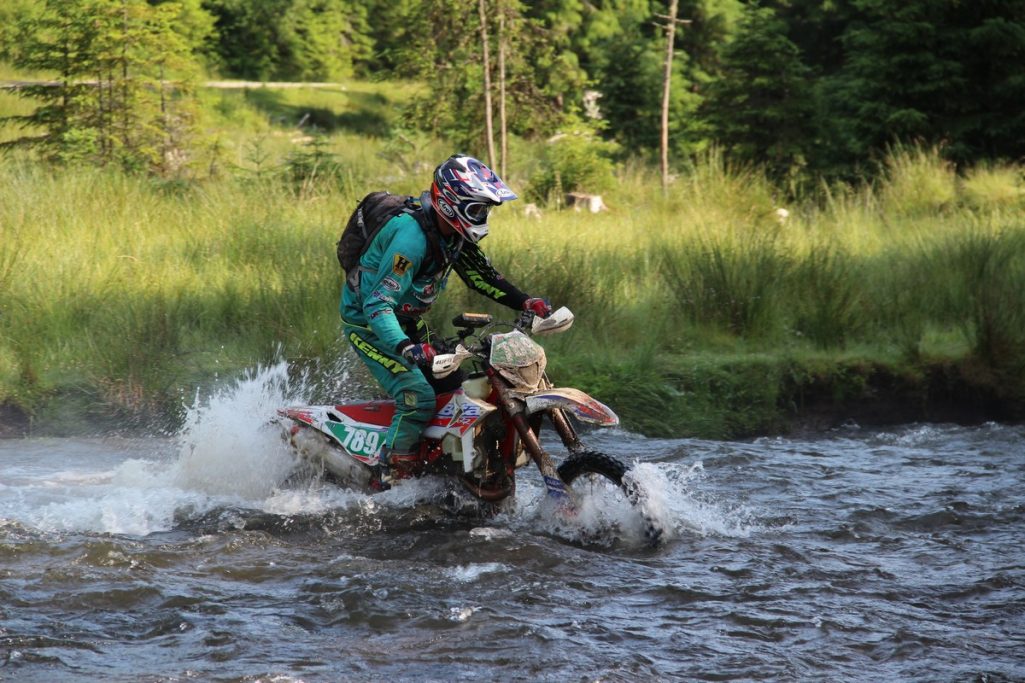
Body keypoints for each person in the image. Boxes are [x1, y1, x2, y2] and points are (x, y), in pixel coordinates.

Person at [340, 154, 552, 490]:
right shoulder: (410, 239)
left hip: (407, 322)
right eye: (478, 209)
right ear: (452, 204)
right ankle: (392, 478)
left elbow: (484, 278)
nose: (482, 217)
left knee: (459, 389)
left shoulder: (452, 234)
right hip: (370, 324)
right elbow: (378, 305)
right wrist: (406, 347)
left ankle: (447, 470)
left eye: (485, 210)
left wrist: (525, 301)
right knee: (418, 396)